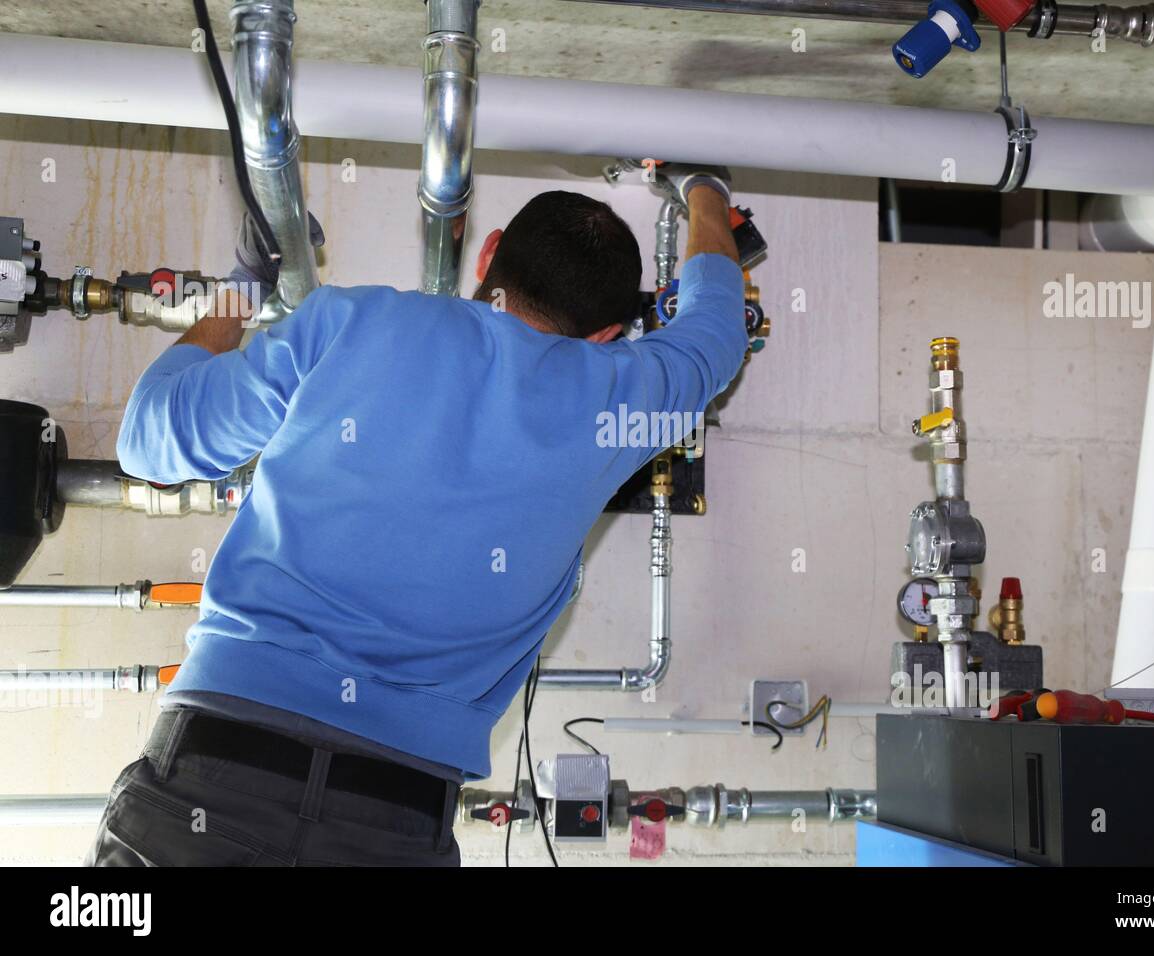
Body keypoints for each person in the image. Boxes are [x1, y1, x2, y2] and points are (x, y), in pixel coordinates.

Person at [87, 165, 747, 866]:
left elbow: (147, 440)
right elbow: (715, 333)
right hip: (391, 822)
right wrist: (705, 191)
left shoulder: (349, 322)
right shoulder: (619, 397)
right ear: (607, 335)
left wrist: (248, 281)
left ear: (489, 254)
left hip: (211, 778)